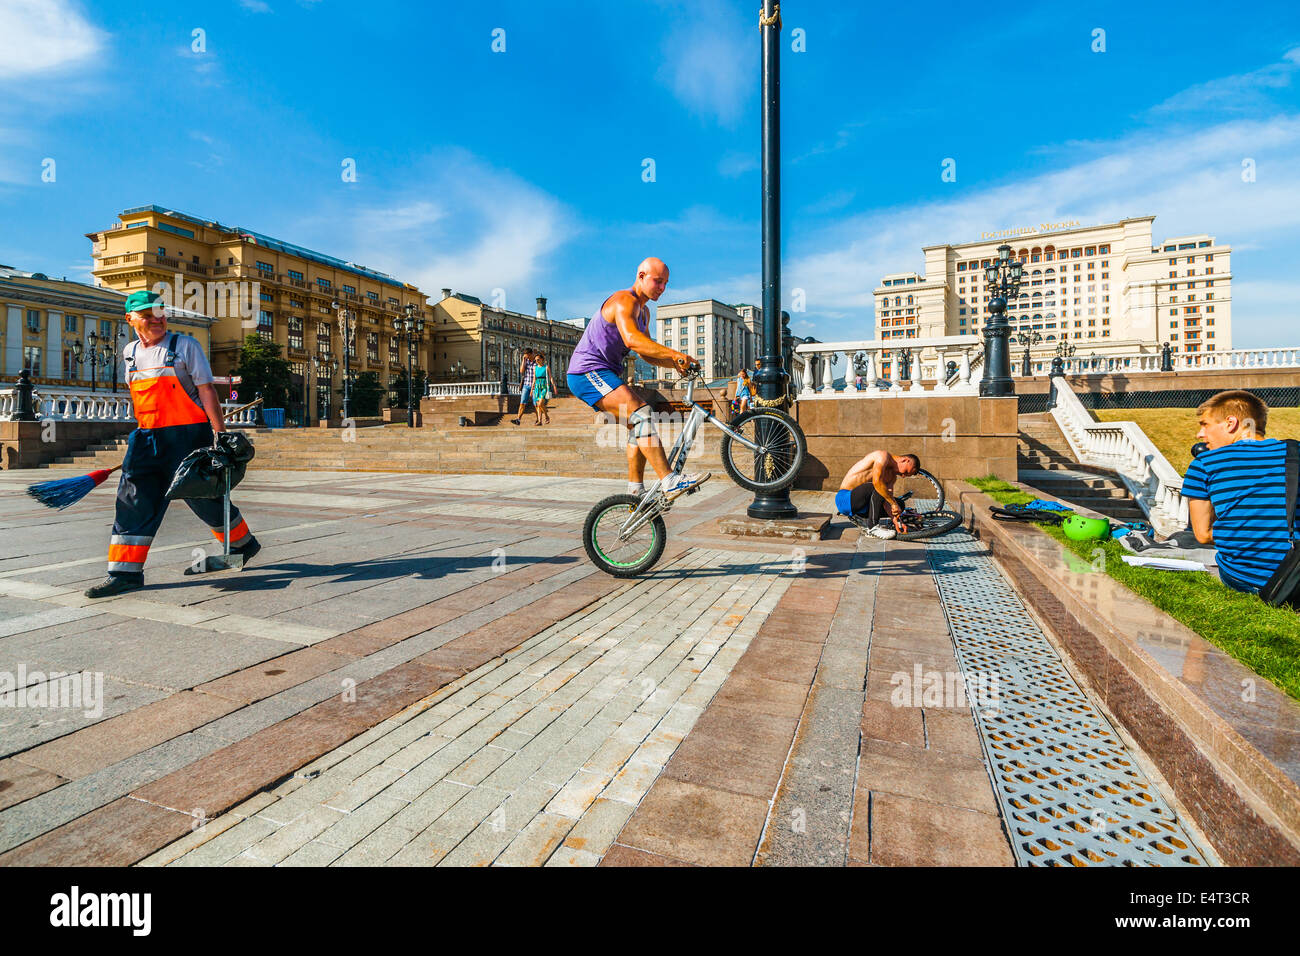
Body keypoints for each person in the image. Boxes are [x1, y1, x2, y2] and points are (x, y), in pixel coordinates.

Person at [85, 291, 260, 598]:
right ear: (130, 319)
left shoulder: (184, 346)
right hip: (147, 438)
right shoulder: (129, 353)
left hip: (188, 436)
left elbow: (207, 391)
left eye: (161, 313)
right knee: (133, 500)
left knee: (203, 496)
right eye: (148, 315)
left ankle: (243, 545)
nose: (157, 319)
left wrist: (220, 435)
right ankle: (124, 574)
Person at [566, 257, 708, 499]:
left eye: (666, 284)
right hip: (587, 372)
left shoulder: (644, 312)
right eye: (658, 281)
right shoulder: (624, 301)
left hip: (604, 373)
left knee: (637, 424)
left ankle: (635, 490)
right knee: (641, 413)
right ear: (641, 276)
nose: (662, 288)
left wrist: (675, 363)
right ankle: (670, 480)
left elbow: (645, 352)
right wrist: (676, 354)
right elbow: (632, 339)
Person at [1182, 390, 1294, 594]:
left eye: (1205, 425)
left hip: (1245, 578)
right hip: (1295, 574)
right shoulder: (1295, 453)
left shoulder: (1205, 464)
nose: (1200, 435)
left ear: (1230, 423)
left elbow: (1204, 535)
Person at [835, 450, 922, 540]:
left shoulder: (892, 477)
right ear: (905, 460)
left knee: (900, 503)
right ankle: (872, 528)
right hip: (845, 499)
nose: (903, 476)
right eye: (906, 472)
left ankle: (864, 522)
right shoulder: (882, 456)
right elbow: (877, 483)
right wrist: (893, 504)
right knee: (880, 487)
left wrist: (896, 520)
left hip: (862, 508)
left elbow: (888, 501)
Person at [510, 349, 536, 426]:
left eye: (527, 355)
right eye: (525, 355)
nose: (526, 356)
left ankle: (539, 419)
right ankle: (518, 419)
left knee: (536, 404)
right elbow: (521, 371)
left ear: (531, 354)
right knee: (522, 403)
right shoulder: (526, 361)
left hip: (535, 386)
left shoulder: (536, 361)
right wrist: (523, 360)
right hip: (526, 385)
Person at [532, 353, 551, 425]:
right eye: (536, 360)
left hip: (543, 386)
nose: (536, 361)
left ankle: (546, 416)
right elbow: (534, 378)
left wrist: (554, 385)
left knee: (540, 404)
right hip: (537, 386)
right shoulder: (535, 368)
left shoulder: (546, 367)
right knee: (538, 405)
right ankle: (540, 421)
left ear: (542, 359)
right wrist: (532, 388)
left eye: (538, 359)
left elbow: (550, 377)